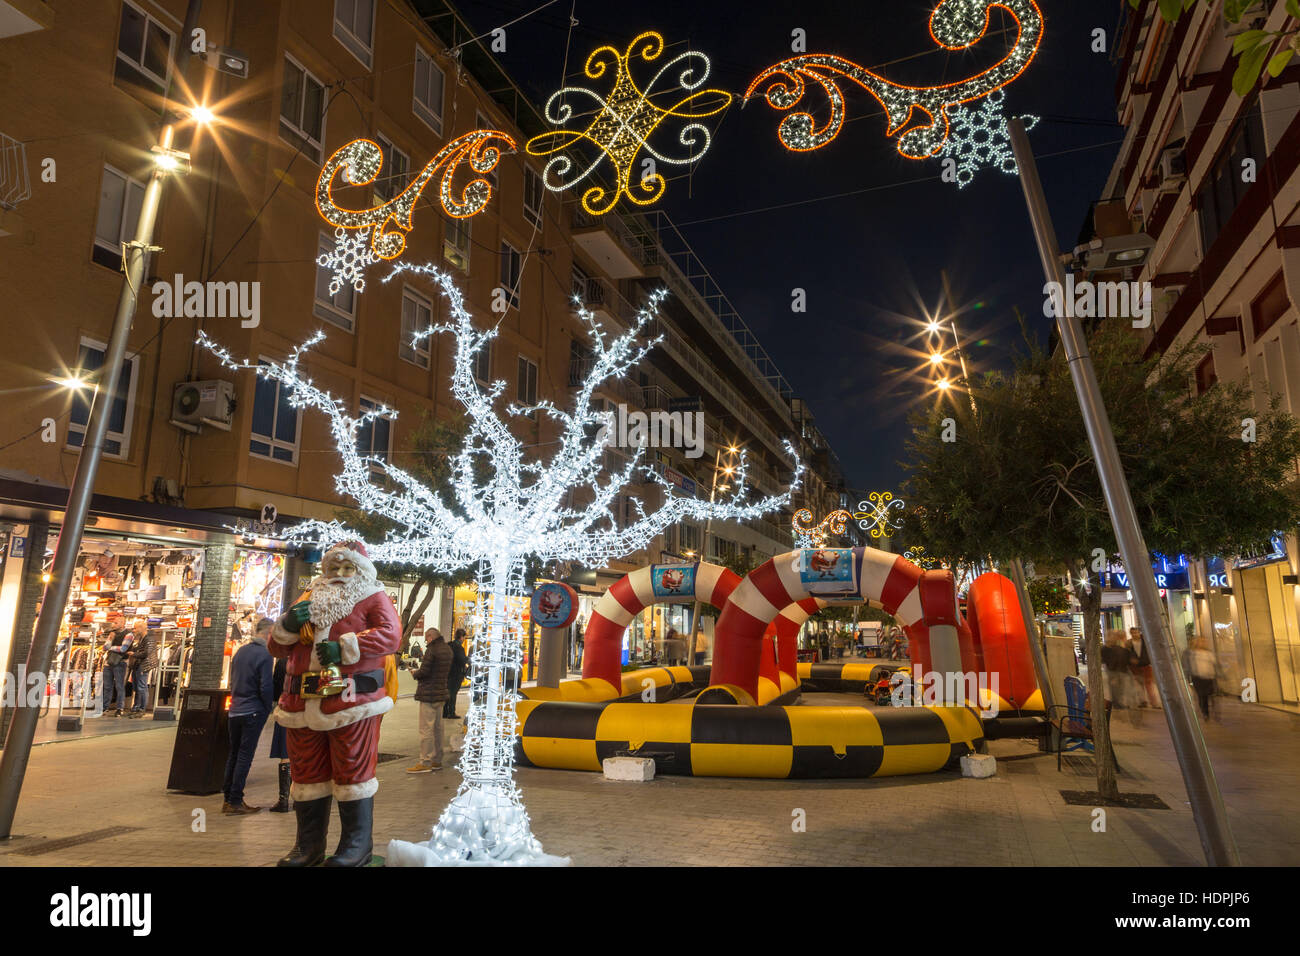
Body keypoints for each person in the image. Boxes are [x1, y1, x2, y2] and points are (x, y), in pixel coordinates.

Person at [269, 541, 401, 867]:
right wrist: (287, 625)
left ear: (361, 571)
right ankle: (308, 846)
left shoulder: (373, 596)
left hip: (351, 703)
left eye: (347, 568)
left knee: (353, 772)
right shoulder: (308, 597)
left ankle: (356, 846)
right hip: (301, 703)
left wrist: (345, 647)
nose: (339, 574)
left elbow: (390, 635)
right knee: (307, 775)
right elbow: (276, 647)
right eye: (334, 568)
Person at [222, 617, 275, 814]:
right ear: (269, 633)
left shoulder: (241, 651)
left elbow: (233, 680)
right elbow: (266, 685)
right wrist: (267, 707)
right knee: (245, 756)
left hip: (235, 710)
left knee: (234, 754)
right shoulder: (265, 654)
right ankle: (236, 800)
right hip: (252, 710)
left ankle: (228, 799)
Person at [408, 627, 452, 773]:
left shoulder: (432, 650)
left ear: (430, 637)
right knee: (438, 729)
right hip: (441, 693)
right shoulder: (447, 649)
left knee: (426, 729)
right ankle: (437, 760)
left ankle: (425, 762)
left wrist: (415, 673)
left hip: (429, 695)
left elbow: (425, 671)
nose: (426, 642)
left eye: (426, 639)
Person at [1101, 629, 1140, 722]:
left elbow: (1126, 656)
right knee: (1115, 689)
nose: (1115, 637)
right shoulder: (1105, 648)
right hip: (1113, 671)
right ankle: (1117, 705)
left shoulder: (1118, 647)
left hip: (1122, 670)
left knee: (1121, 688)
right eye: (1113, 635)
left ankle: (1120, 704)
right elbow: (1106, 660)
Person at [268, 649, 291, 813]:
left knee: (285, 754)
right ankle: (300, 799)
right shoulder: (309, 660)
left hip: (285, 710)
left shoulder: (282, 662)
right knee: (302, 755)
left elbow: (275, 689)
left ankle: (283, 800)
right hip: (304, 713)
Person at [126, 618, 157, 717]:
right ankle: (136, 707)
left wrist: (134, 654)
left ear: (140, 628)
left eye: (135, 628)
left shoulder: (149, 638)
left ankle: (142, 709)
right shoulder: (142, 638)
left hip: (144, 665)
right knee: (137, 687)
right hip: (139, 664)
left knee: (141, 687)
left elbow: (147, 653)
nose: (133, 630)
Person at [100, 617, 129, 716]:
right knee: (107, 686)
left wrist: (111, 647)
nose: (113, 624)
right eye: (113, 622)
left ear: (122, 623)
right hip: (109, 662)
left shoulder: (128, 634)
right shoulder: (112, 634)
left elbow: (123, 649)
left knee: (119, 686)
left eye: (116, 623)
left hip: (120, 662)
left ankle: (120, 708)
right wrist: (111, 639)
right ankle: (105, 707)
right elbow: (104, 647)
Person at [1185, 636, 1217, 720]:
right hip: (1198, 677)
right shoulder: (1192, 653)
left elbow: (1214, 664)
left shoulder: (1208, 653)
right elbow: (1189, 666)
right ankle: (1205, 712)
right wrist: (1188, 676)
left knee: (1209, 694)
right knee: (1202, 695)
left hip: (1209, 677)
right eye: (1200, 641)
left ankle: (1209, 711)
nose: (1202, 643)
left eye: (1203, 641)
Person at [1129, 626, 1158, 708]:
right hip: (1135, 667)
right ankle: (1143, 701)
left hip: (1146, 665)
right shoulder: (1129, 643)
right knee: (1139, 685)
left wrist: (1149, 661)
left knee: (1149, 684)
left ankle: (1154, 703)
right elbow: (1127, 654)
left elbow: (1150, 652)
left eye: (1136, 632)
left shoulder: (1145, 641)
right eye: (1133, 633)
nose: (1135, 634)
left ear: (1139, 632)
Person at [445, 628, 468, 719]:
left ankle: (445, 711)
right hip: (456, 673)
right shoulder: (459, 647)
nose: (464, 640)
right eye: (464, 637)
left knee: (448, 692)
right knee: (453, 693)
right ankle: (451, 712)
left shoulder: (449, 645)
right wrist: (468, 660)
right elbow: (462, 660)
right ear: (461, 637)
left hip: (448, 672)